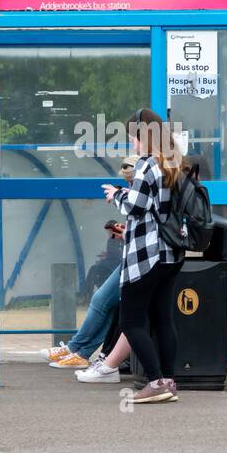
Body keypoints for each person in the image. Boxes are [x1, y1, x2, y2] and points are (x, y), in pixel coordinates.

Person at [81, 108, 184, 404]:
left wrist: (116, 195)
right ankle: (169, 380)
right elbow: (156, 210)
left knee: (131, 321)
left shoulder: (147, 165)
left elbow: (136, 206)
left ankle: (154, 382)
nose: (133, 145)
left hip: (146, 256)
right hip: (170, 253)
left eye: (133, 139)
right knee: (163, 318)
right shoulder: (174, 163)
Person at [44, 156, 137, 370]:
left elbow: (146, 224)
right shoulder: (146, 190)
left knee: (103, 301)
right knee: (109, 305)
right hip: (134, 258)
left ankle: (81, 351)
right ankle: (84, 352)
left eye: (131, 180)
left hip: (139, 260)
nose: (129, 184)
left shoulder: (144, 193)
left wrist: (118, 198)